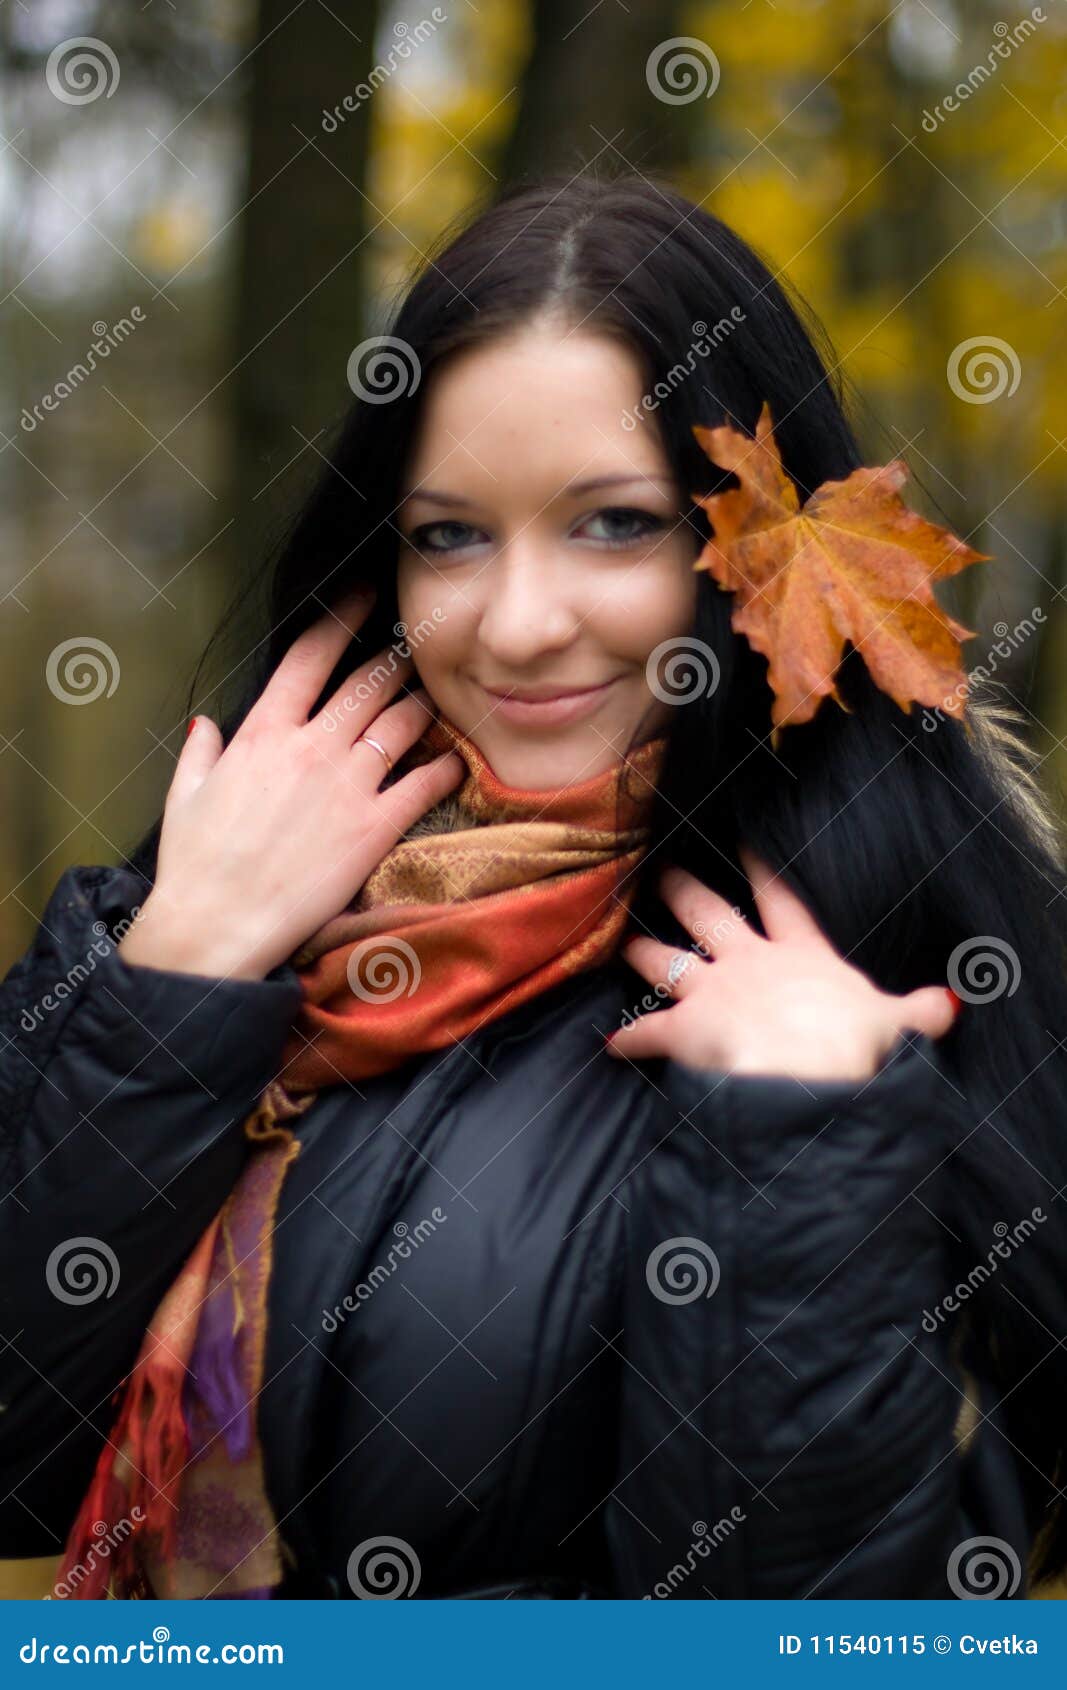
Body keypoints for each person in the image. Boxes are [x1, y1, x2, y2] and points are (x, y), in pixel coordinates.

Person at [2, 170, 1066, 1601]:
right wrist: (172, 979)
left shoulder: (910, 963)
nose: (515, 622)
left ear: (754, 543)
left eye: (612, 523)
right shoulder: (238, 906)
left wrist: (801, 1143)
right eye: (449, 534)